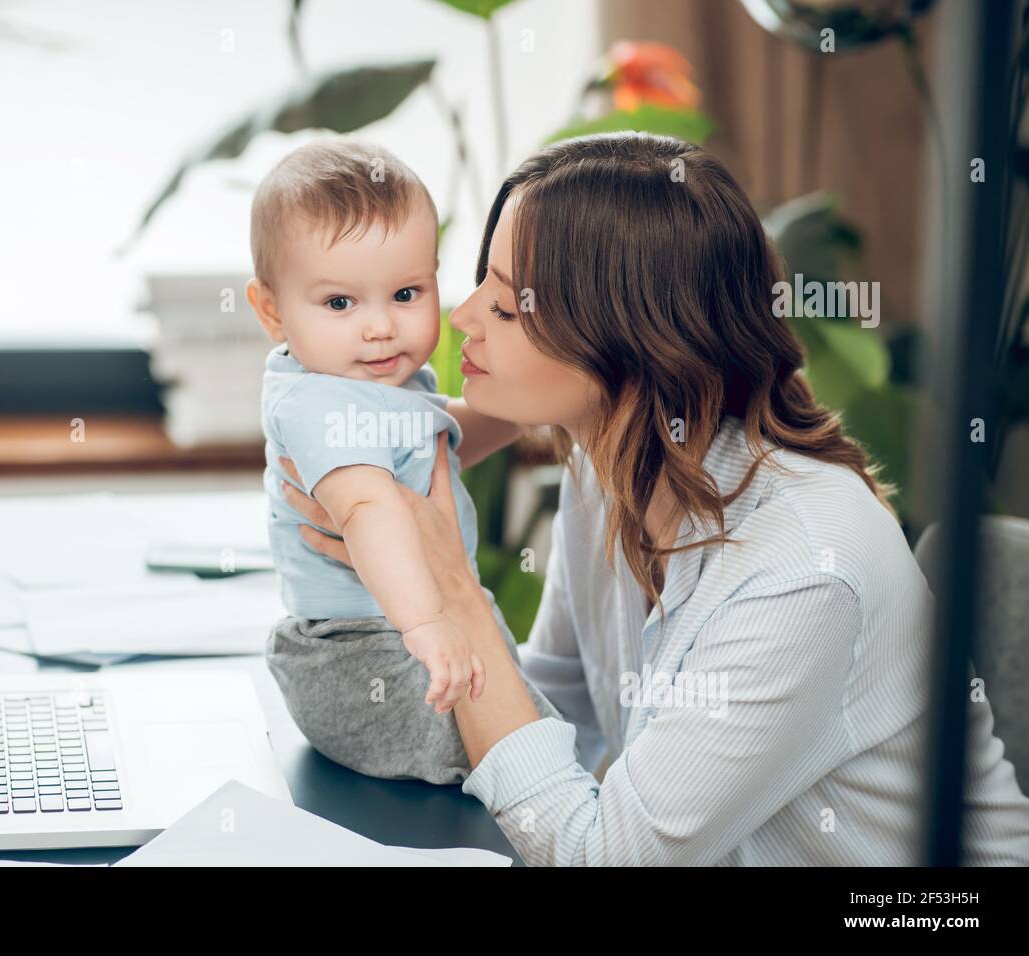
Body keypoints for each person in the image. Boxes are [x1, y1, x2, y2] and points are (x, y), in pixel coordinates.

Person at [283, 133, 1029, 865]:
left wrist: (453, 598)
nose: (460, 317)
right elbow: (558, 706)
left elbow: (605, 857)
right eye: (482, 282)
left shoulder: (806, 572)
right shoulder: (605, 472)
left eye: (507, 308)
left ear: (629, 347)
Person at [246, 139, 560, 786]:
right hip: (363, 653)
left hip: (418, 630)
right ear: (271, 310)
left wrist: (522, 409)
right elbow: (369, 506)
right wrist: (426, 621)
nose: (381, 327)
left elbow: (436, 445)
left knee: (533, 737)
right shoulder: (319, 400)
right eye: (340, 303)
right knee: (515, 753)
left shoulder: (380, 383)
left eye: (407, 293)